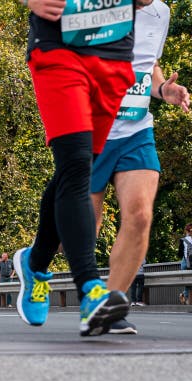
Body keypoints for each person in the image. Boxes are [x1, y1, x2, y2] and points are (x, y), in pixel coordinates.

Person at [15, 0, 135, 336]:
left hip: (113, 51)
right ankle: (90, 291)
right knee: (77, 165)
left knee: (76, 167)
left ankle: (35, 263)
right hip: (59, 47)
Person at [90, 0, 190, 333]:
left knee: (141, 215)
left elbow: (150, 62)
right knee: (82, 230)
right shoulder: (91, 6)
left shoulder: (160, 12)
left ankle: (108, 307)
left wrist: (162, 89)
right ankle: (37, 255)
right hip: (90, 128)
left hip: (135, 129)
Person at [179, 223, 192, 305]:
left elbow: (180, 254)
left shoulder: (182, 240)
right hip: (190, 263)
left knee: (188, 283)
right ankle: (185, 296)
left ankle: (185, 295)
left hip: (185, 262)